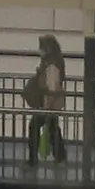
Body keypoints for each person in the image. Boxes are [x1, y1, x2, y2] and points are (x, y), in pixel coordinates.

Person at [24, 34, 68, 166]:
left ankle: (33, 159)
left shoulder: (51, 65)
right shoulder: (53, 62)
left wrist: (47, 107)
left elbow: (52, 88)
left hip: (47, 104)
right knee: (53, 129)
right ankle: (60, 156)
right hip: (50, 104)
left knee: (35, 127)